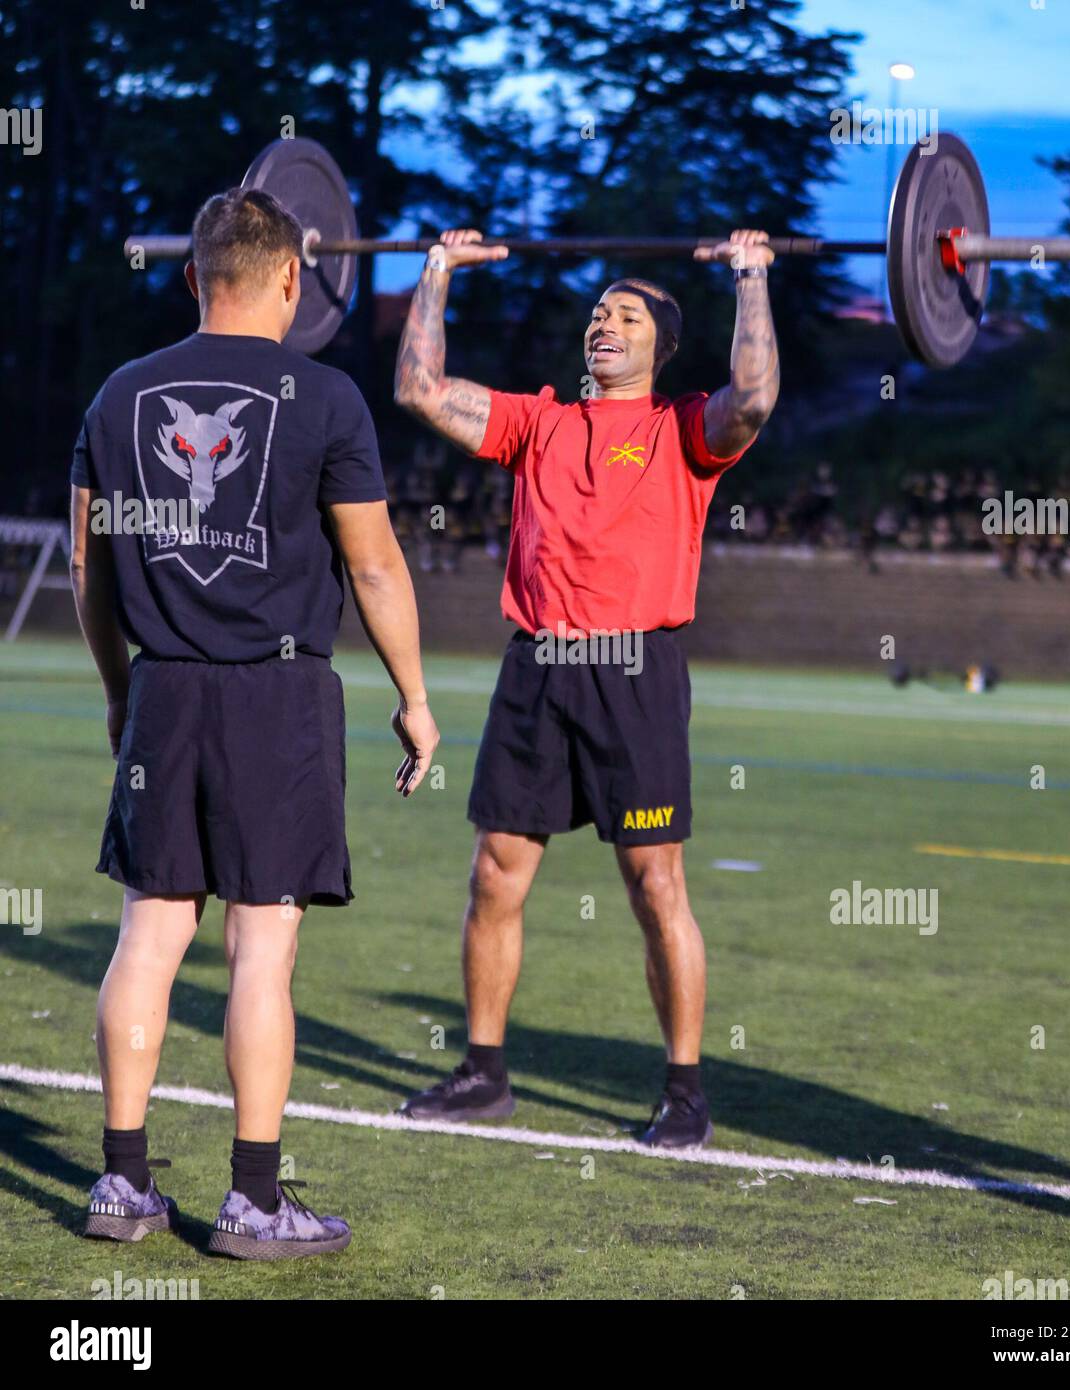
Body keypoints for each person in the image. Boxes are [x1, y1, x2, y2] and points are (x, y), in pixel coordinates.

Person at [71, 185, 439, 1257]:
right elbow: (372, 564)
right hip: (277, 698)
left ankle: (121, 1182)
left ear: (193, 277)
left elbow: (92, 574)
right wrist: (414, 700)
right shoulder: (325, 396)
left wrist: (115, 691)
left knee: (150, 933)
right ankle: (251, 1197)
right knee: (262, 951)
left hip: (164, 689)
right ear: (291, 279)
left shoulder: (118, 394)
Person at [394, 228, 778, 1147]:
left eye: (628, 314)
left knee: (655, 885)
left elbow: (755, 396)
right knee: (495, 874)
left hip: (635, 673)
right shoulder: (540, 422)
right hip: (536, 668)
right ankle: (484, 1072)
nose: (604, 322)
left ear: (662, 344)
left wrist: (752, 277)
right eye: (599, 311)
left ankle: (684, 1092)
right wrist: (437, 270)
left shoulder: (682, 428)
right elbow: (416, 387)